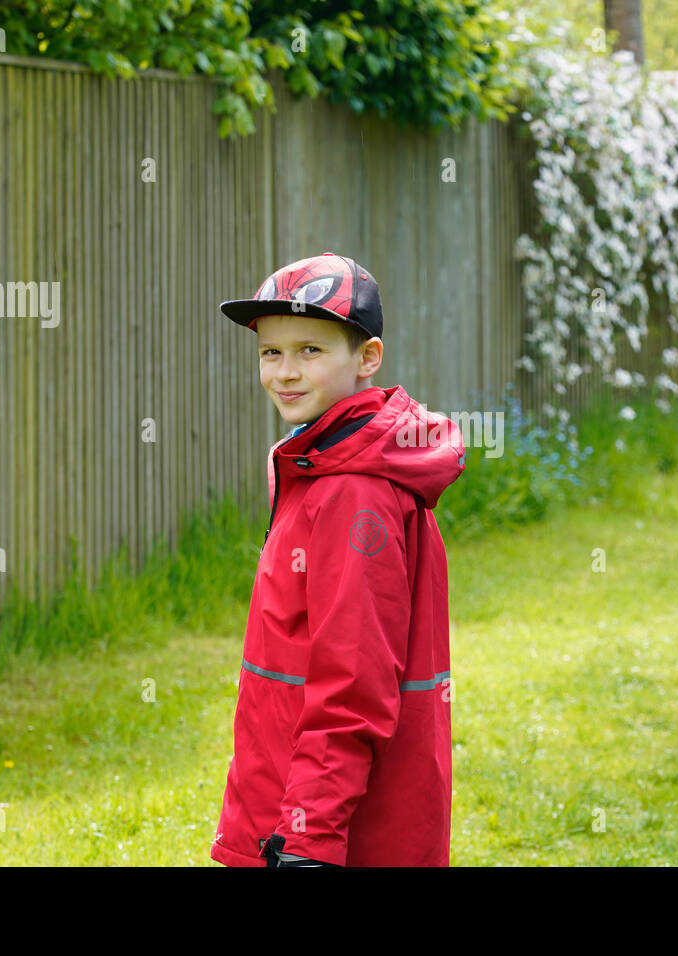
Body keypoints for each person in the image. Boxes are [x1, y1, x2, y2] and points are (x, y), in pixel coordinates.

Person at [209, 252, 466, 867]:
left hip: (335, 832)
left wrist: (309, 840)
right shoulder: (321, 461)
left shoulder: (355, 490)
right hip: (294, 800)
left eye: (311, 350)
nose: (286, 373)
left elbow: (354, 684)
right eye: (272, 353)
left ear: (367, 358)